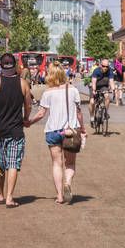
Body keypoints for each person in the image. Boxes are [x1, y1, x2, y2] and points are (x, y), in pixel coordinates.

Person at [26, 62, 85, 204]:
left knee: (56, 164)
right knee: (70, 163)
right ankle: (68, 183)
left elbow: (41, 113)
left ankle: (59, 196)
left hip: (53, 131)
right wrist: (82, 129)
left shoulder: (48, 92)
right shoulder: (73, 90)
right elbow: (79, 113)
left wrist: (29, 122)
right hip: (70, 131)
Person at [0, 52, 31, 207]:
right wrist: (26, 118)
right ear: (15, 65)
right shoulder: (23, 83)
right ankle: (10, 197)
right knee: (13, 164)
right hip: (16, 130)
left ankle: (0, 194)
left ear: (1, 65)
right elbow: (28, 105)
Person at [90, 57, 114, 123]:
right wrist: (94, 90)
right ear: (101, 65)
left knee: (107, 96)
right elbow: (94, 82)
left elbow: (111, 81)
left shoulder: (110, 71)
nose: (105, 68)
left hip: (103, 86)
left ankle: (106, 112)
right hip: (95, 87)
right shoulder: (96, 71)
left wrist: (113, 89)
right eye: (103, 66)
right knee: (92, 102)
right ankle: (92, 116)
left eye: (107, 66)